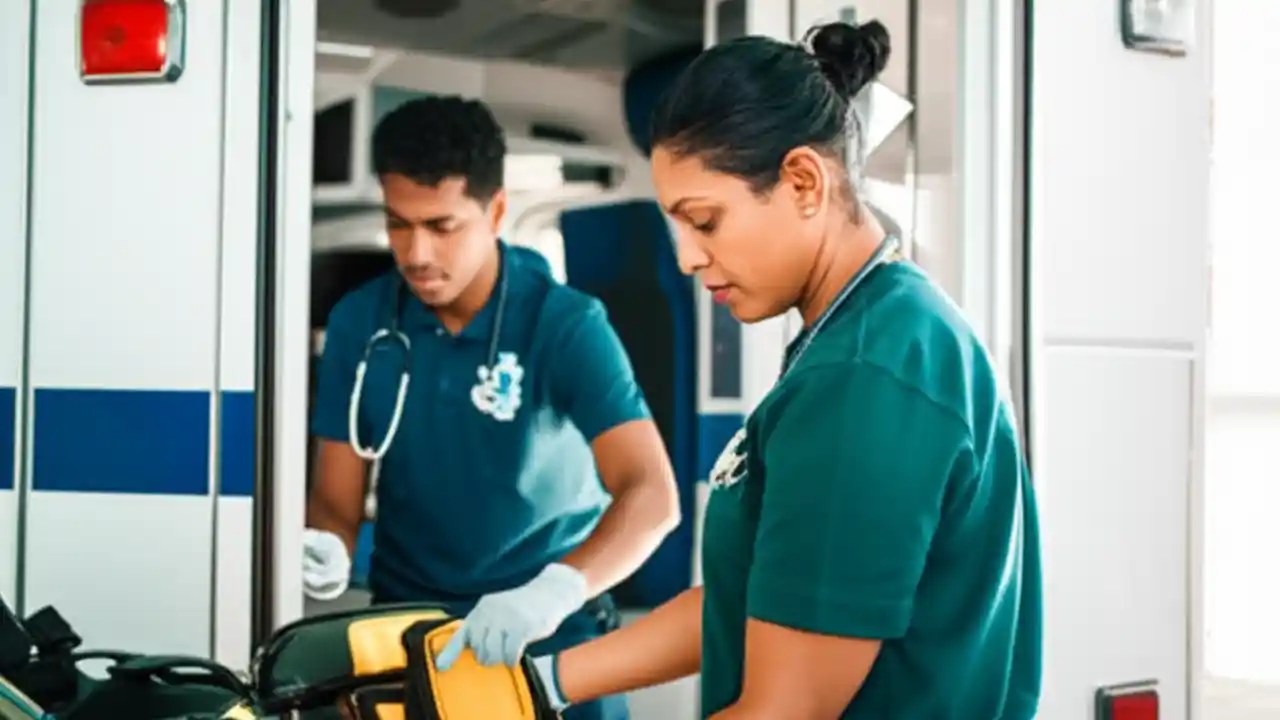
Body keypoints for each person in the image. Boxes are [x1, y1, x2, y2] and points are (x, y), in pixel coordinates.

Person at [521, 19, 1043, 720]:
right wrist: (543, 682)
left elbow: (782, 711)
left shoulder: (868, 373)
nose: (686, 257)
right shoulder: (858, 334)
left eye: (704, 222)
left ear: (802, 181)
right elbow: (757, 601)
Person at [304, 95, 680, 720]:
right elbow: (337, 500)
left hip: (549, 630)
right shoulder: (360, 324)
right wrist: (329, 549)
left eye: (442, 226)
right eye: (398, 222)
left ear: (497, 210)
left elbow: (651, 494)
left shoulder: (565, 325)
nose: (416, 253)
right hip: (410, 632)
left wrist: (555, 591)